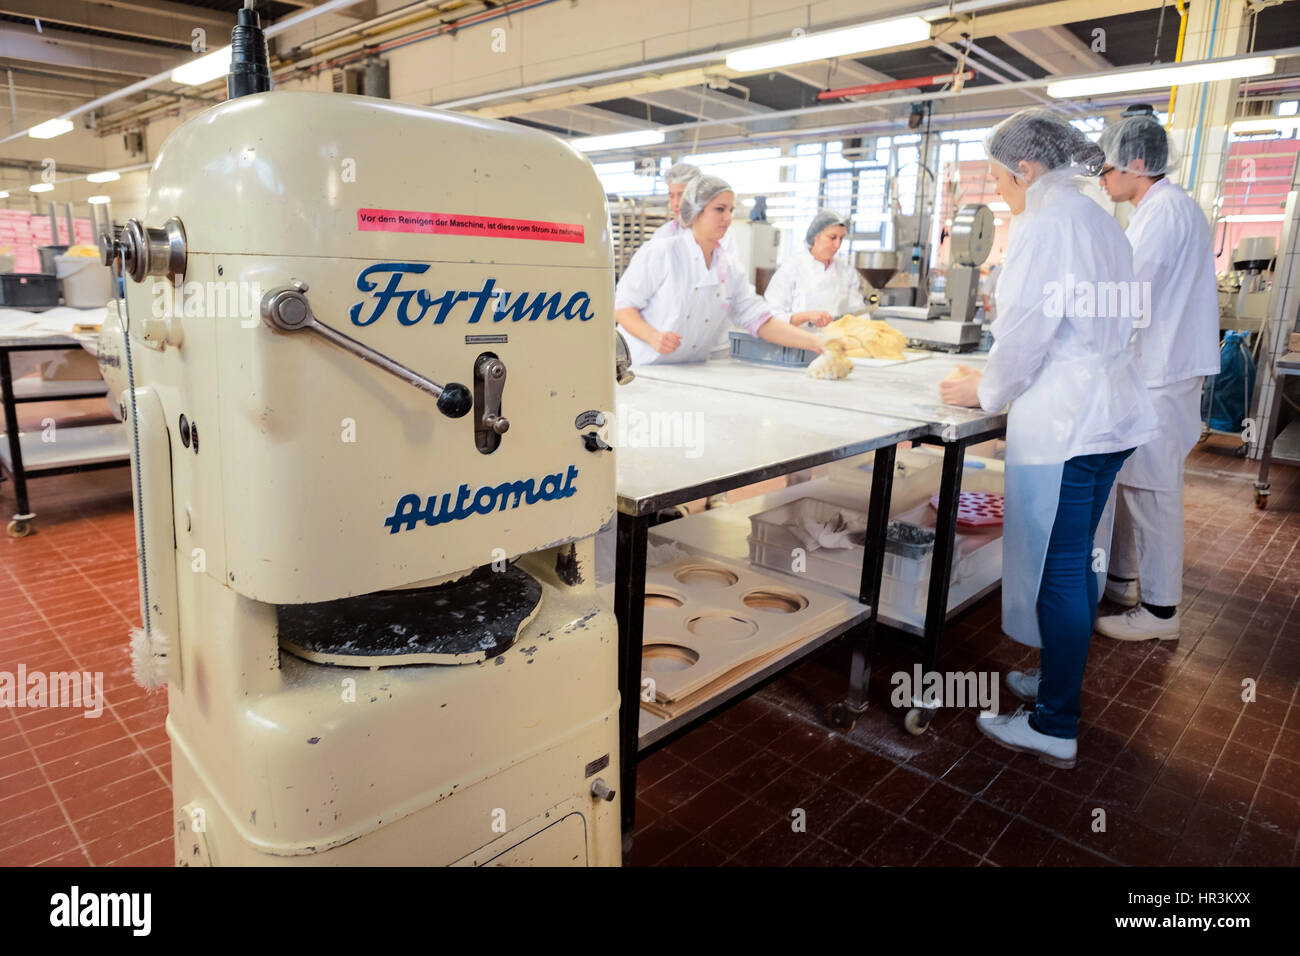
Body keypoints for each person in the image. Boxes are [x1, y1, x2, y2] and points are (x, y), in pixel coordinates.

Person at [939, 109, 1158, 769]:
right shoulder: (1101, 221)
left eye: (1002, 181)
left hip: (1068, 424)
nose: (1003, 195)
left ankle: (1054, 721)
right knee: (1081, 562)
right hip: (1111, 418)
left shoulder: (1043, 224)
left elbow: (1026, 330)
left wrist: (984, 392)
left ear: (1026, 168)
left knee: (1062, 573)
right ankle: (1054, 680)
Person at [1093, 109, 1220, 641]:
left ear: (1138, 163)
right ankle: (1123, 582)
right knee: (1133, 481)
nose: (1103, 177)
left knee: (1152, 488)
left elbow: (1131, 297)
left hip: (1163, 372)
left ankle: (1161, 613)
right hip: (1155, 368)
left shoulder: (1166, 212)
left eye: (1108, 167)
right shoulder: (1155, 209)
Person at [615, 174, 829, 366]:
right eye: (720, 209)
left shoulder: (730, 268)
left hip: (688, 369)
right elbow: (623, 307)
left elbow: (761, 321)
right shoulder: (662, 253)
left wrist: (818, 342)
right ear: (696, 211)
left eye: (730, 210)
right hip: (640, 367)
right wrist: (653, 336)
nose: (728, 218)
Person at [763, 209, 863, 326]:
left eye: (841, 238)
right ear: (815, 237)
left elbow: (859, 312)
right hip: (798, 340)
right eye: (832, 237)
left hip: (835, 341)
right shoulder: (792, 268)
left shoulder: (847, 272)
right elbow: (771, 317)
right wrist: (806, 316)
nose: (837, 245)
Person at [651, 163, 701, 242]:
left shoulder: (717, 232)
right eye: (671, 196)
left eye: (682, 196)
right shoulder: (662, 234)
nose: (675, 203)